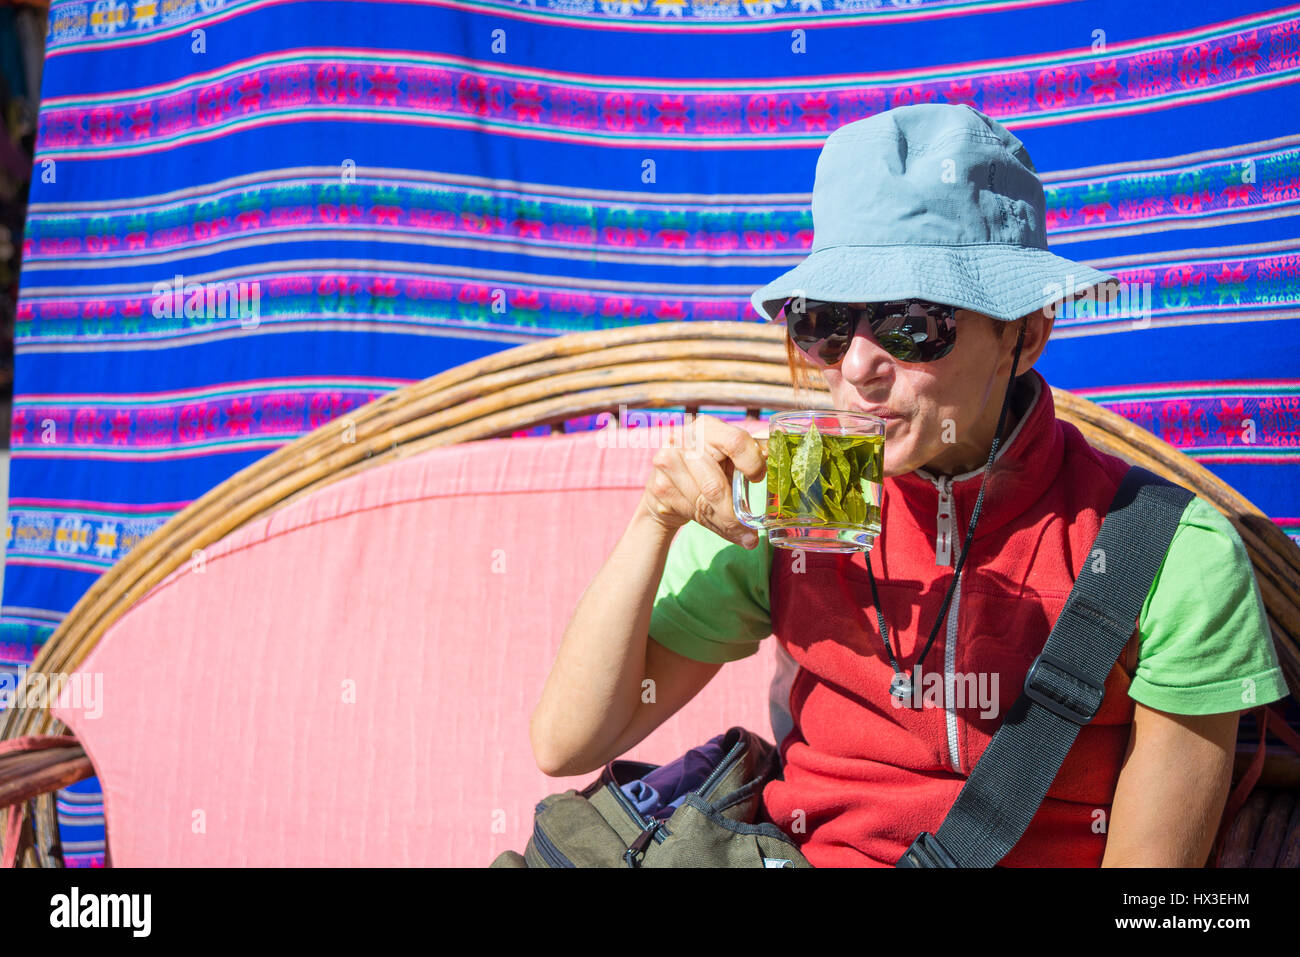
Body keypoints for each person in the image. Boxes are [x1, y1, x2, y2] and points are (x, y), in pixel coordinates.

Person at [529, 104, 1289, 867]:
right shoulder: (803, 490)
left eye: (911, 322)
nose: (856, 365)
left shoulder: (1161, 552)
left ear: (1025, 334)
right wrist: (655, 519)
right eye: (824, 321)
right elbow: (568, 742)